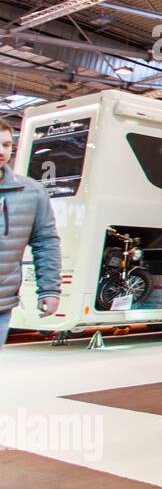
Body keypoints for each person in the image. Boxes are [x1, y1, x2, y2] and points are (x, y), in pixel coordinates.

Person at [1, 121, 61, 352]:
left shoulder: (32, 192)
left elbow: (45, 242)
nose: (2, 151)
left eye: (7, 145)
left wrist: (49, 289)